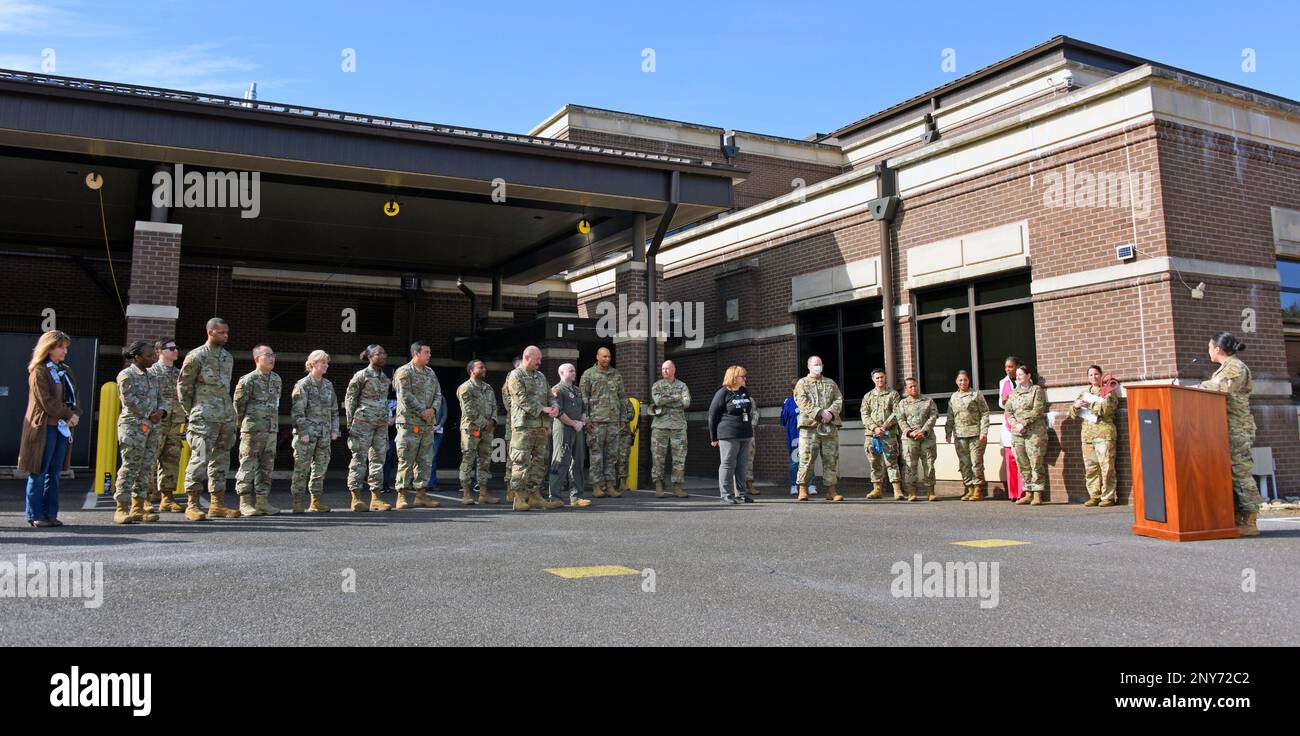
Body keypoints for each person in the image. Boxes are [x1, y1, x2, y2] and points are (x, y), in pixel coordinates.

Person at [1200, 332, 1263, 537]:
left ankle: (1250, 519)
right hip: (1224, 429)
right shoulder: (1224, 368)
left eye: (1209, 346)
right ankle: (1235, 517)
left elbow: (1223, 387)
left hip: (1238, 429)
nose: (1208, 350)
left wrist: (1196, 387)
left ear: (1218, 349)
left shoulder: (1236, 367)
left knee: (1240, 473)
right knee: (1230, 474)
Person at [177, 317, 238, 521]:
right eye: (222, 332)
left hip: (224, 417)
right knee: (200, 458)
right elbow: (184, 387)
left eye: (227, 333)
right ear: (210, 332)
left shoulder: (227, 358)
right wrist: (193, 411)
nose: (226, 336)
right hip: (203, 418)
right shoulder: (196, 356)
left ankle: (217, 504)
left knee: (221, 460)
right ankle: (192, 504)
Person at [19, 330, 80, 527]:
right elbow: (46, 401)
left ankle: (50, 513)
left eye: (65, 347)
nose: (64, 351)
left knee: (54, 473)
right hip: (44, 428)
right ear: (49, 348)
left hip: (62, 428)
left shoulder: (66, 370)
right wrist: (68, 414)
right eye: (60, 347)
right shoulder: (39, 371)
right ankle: (35, 514)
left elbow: (75, 395)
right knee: (39, 471)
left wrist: (76, 413)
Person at [505, 345, 563, 511]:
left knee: (540, 462)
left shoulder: (541, 376)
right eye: (537, 359)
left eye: (540, 359)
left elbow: (550, 396)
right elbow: (520, 399)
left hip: (541, 426)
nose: (539, 362)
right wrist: (542, 409)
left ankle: (535, 496)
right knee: (521, 461)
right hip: (524, 426)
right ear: (527, 357)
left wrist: (554, 407)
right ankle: (519, 498)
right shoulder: (515, 375)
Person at [113, 341, 164, 524]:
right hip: (133, 427)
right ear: (137, 357)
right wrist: (151, 413)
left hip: (152, 428)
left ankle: (138, 507)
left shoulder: (153, 377)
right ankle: (121, 508)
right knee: (131, 466)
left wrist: (161, 412)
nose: (153, 358)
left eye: (154, 355)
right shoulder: (126, 375)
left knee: (146, 467)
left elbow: (161, 399)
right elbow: (129, 401)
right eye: (149, 355)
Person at [232, 344, 282, 517]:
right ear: (257, 359)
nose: (271, 358)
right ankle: (244, 502)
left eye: (273, 355)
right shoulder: (248, 380)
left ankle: (262, 502)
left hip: (271, 429)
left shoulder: (276, 379)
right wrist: (243, 424)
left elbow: (276, 403)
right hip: (253, 430)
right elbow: (238, 405)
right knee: (248, 464)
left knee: (267, 466)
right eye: (267, 355)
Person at [393, 341, 443, 509]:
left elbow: (438, 393)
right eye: (426, 352)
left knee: (425, 459)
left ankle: (421, 495)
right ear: (416, 353)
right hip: (409, 423)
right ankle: (401, 495)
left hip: (427, 424)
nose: (429, 355)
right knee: (406, 459)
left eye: (429, 352)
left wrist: (434, 410)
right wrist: (423, 410)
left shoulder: (430, 372)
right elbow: (405, 396)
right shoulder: (404, 372)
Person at [345, 345, 394, 512]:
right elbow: (350, 399)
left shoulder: (384, 378)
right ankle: (356, 498)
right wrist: (349, 423)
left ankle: (376, 498)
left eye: (384, 353)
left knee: (378, 460)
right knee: (359, 459)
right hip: (362, 423)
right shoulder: (361, 376)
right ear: (370, 356)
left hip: (380, 424)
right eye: (379, 353)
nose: (383, 356)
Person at [291, 350, 339, 513]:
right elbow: (298, 411)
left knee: (320, 469)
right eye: (323, 362)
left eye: (327, 362)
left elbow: (334, 410)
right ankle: (297, 502)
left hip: (324, 434)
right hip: (307, 434)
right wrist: (302, 431)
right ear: (312, 364)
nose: (326, 365)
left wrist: (335, 430)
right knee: (301, 468)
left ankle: (315, 501)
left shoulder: (328, 385)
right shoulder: (303, 384)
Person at [1068, 365, 1119, 508]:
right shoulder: (1084, 393)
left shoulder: (1108, 391)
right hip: (1088, 436)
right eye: (1090, 375)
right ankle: (1094, 495)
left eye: (1096, 374)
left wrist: (1090, 404)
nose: (1093, 377)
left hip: (1104, 434)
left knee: (1107, 467)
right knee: (1091, 468)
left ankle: (1108, 497)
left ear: (1101, 375)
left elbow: (1107, 410)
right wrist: (1076, 406)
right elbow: (1072, 414)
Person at [794, 356, 843, 502]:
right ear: (809, 366)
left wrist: (830, 413)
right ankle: (802, 488)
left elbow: (838, 399)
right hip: (809, 428)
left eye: (820, 364)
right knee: (806, 458)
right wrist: (820, 412)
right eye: (815, 364)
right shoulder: (802, 383)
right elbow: (802, 401)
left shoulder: (830, 383)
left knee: (831, 459)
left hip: (829, 427)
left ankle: (831, 491)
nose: (818, 366)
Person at [580, 346, 626, 499]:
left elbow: (622, 398)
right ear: (597, 357)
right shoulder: (588, 374)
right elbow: (583, 399)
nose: (607, 359)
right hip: (596, 422)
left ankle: (610, 485)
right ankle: (596, 486)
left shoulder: (616, 374)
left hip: (613, 421)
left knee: (612, 455)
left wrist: (622, 418)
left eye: (609, 357)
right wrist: (586, 419)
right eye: (604, 356)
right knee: (596, 456)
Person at [147, 338, 185, 514]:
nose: (175, 351)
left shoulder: (180, 375)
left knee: (171, 460)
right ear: (159, 351)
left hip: (175, 423)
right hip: (156, 424)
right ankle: (145, 497)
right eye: (171, 348)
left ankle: (167, 497)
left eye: (176, 347)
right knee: (149, 459)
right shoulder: (150, 373)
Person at [708, 365, 754, 504]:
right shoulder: (722, 393)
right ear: (734, 378)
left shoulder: (744, 391)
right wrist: (713, 437)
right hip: (728, 433)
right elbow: (712, 414)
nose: (745, 378)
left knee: (742, 465)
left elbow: (747, 410)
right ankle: (726, 494)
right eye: (742, 376)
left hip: (744, 433)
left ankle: (741, 493)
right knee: (728, 463)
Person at [456, 358, 500, 505]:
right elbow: (468, 410)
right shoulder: (465, 388)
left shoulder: (488, 388)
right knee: (468, 460)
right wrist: (484, 423)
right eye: (480, 368)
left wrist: (492, 421)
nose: (484, 370)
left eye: (484, 367)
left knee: (485, 461)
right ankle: (466, 494)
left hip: (487, 430)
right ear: (471, 371)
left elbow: (494, 405)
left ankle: (483, 494)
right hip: (471, 429)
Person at [1005, 364, 1048, 506]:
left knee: (1036, 461)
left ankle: (1037, 493)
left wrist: (1024, 423)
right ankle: (1028, 492)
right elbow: (1009, 412)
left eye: (1021, 374)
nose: (1018, 377)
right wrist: (1016, 424)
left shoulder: (1036, 390)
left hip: (1034, 432)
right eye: (1016, 375)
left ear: (1029, 376)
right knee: (1022, 462)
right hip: (1017, 432)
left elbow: (1038, 410)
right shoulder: (1013, 393)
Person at [549, 363, 591, 508]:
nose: (574, 372)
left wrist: (582, 421)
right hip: (564, 429)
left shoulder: (577, 390)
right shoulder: (557, 390)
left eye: (574, 370)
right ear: (561, 373)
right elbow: (557, 412)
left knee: (578, 462)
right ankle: (555, 497)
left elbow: (584, 409)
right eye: (570, 371)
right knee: (560, 461)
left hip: (578, 429)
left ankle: (576, 497)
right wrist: (574, 423)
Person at [946, 370, 990, 502]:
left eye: (965, 380)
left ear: (968, 381)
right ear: (956, 382)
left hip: (976, 434)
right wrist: (948, 433)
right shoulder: (954, 397)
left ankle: (978, 490)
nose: (963, 382)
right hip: (960, 435)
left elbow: (985, 413)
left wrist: (984, 431)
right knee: (964, 464)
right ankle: (969, 488)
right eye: (960, 380)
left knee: (976, 462)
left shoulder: (976, 394)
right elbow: (950, 416)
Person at [649, 359, 691, 498]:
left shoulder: (682, 385)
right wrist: (675, 397)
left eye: (667, 368)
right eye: (662, 369)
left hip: (678, 427)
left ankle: (677, 487)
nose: (664, 371)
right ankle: (659, 486)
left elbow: (686, 403)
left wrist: (667, 399)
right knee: (658, 457)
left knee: (679, 458)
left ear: (674, 369)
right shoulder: (657, 385)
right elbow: (658, 401)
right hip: (660, 427)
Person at [862, 368, 903, 500]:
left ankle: (897, 490)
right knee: (874, 462)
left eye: (882, 377)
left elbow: (897, 412)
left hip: (888, 434)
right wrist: (875, 428)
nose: (880, 380)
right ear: (873, 379)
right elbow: (865, 414)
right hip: (872, 435)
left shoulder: (893, 394)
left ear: (885, 378)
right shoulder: (868, 396)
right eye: (877, 378)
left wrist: (884, 427)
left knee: (892, 462)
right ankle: (877, 489)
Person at [896, 377, 939, 502]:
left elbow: (933, 416)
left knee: (929, 465)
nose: (914, 388)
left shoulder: (928, 401)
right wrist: (910, 432)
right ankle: (912, 492)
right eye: (910, 386)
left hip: (927, 438)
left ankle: (930, 492)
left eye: (915, 385)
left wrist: (924, 431)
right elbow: (900, 419)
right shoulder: (902, 404)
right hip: (910, 439)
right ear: (906, 389)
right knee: (910, 466)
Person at [998, 356, 1025, 501]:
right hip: (1009, 424)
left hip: (1022, 425)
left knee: (1022, 458)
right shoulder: (1003, 382)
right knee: (1010, 459)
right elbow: (1001, 403)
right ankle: (1014, 493)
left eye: (1011, 366)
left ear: (1017, 367)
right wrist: (1005, 400)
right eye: (1006, 367)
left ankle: (1024, 492)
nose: (1008, 369)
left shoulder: (1025, 380)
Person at [779, 380, 807, 496]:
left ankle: (810, 485)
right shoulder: (789, 402)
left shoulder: (808, 399)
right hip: (795, 436)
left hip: (807, 435)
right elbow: (783, 420)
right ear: (793, 389)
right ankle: (794, 485)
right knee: (795, 461)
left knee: (807, 461)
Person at [501, 354, 522, 501]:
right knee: (512, 458)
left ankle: (524, 489)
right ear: (516, 364)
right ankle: (510, 490)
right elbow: (508, 403)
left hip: (525, 424)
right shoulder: (511, 378)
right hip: (514, 424)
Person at [429, 392, 448, 491]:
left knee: (433, 457)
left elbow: (445, 414)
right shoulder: (423, 396)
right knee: (422, 457)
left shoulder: (441, 398)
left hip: (437, 431)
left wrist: (439, 426)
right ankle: (420, 483)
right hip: (425, 430)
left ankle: (432, 483)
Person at [744, 396, 760, 496]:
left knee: (749, 459)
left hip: (748, 433)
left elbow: (755, 413)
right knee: (733, 460)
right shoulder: (727, 397)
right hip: (735, 433)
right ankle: (733, 486)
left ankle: (749, 484)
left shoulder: (749, 399)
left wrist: (752, 426)